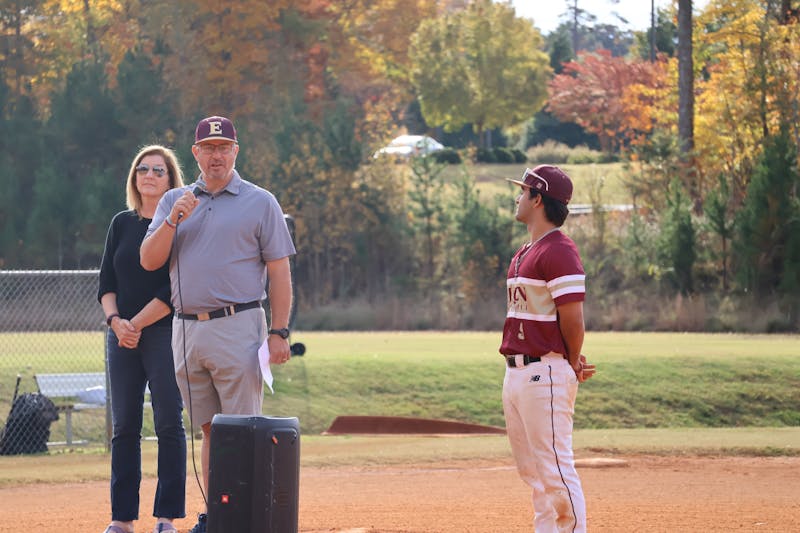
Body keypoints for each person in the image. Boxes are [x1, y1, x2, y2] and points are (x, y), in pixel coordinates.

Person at [140, 116, 296, 533]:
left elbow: (279, 271)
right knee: (210, 431)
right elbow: (149, 260)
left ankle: (249, 517)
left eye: (223, 147)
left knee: (244, 429)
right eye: (208, 148)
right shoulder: (174, 200)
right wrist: (174, 219)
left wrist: (279, 332)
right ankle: (218, 516)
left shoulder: (260, 201)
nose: (216, 155)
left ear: (236, 151)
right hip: (186, 329)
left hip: (238, 323)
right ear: (195, 153)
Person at [500, 165, 597, 532]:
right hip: (518, 373)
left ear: (538, 198)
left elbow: (572, 319)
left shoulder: (559, 250)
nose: (518, 197)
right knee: (535, 475)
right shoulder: (526, 251)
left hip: (544, 374)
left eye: (523, 191)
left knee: (555, 470)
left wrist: (570, 362)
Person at [98, 145, 188, 533]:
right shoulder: (121, 223)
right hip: (121, 337)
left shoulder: (178, 224)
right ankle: (122, 519)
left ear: (171, 180)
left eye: (158, 170)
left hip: (163, 333)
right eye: (142, 169)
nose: (149, 175)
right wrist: (117, 322)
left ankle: (166, 518)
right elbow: (106, 283)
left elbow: (175, 288)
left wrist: (135, 323)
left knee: (169, 422)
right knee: (124, 428)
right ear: (135, 177)